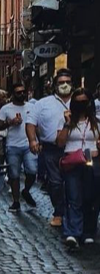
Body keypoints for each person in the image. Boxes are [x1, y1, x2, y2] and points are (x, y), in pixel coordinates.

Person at [25, 69, 73, 227]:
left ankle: (75, 212)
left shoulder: (79, 101)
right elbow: (31, 122)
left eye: (67, 82)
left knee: (75, 182)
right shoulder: (42, 104)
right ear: (54, 85)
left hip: (75, 147)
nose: (64, 85)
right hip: (51, 149)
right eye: (61, 83)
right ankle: (59, 212)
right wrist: (33, 140)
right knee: (55, 182)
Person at [55, 87, 100, 248]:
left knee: (91, 197)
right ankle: (73, 232)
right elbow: (60, 142)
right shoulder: (67, 121)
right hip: (73, 162)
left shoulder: (96, 122)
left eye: (84, 102)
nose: (81, 105)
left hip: (92, 161)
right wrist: (67, 125)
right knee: (74, 197)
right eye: (78, 102)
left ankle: (88, 231)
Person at [0, 84, 36, 212]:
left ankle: (26, 190)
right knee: (14, 175)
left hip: (28, 144)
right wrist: (11, 122)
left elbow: (37, 125)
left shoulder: (32, 107)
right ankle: (16, 201)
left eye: (23, 92)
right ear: (13, 94)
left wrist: (37, 141)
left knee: (32, 171)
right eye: (18, 93)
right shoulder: (6, 109)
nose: (22, 94)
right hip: (12, 145)